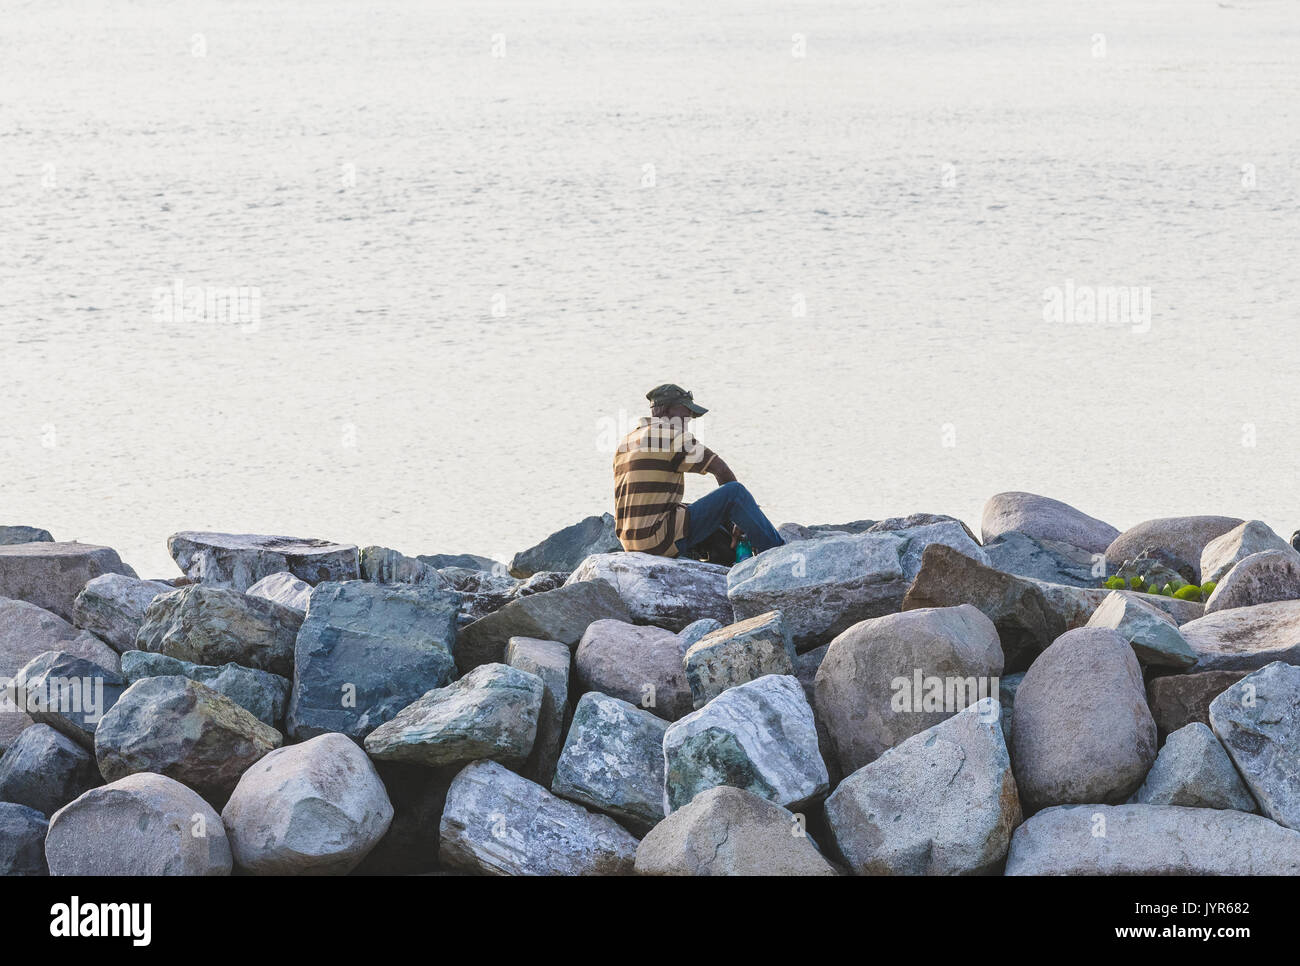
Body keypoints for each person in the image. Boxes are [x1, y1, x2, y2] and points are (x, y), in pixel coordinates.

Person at [612, 383, 784, 561]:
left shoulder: (626, 442)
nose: (688, 421)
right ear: (665, 410)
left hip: (630, 544)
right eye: (685, 414)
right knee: (734, 493)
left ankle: (724, 559)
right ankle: (778, 555)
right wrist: (738, 523)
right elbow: (721, 471)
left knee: (689, 508)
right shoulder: (671, 436)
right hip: (657, 542)